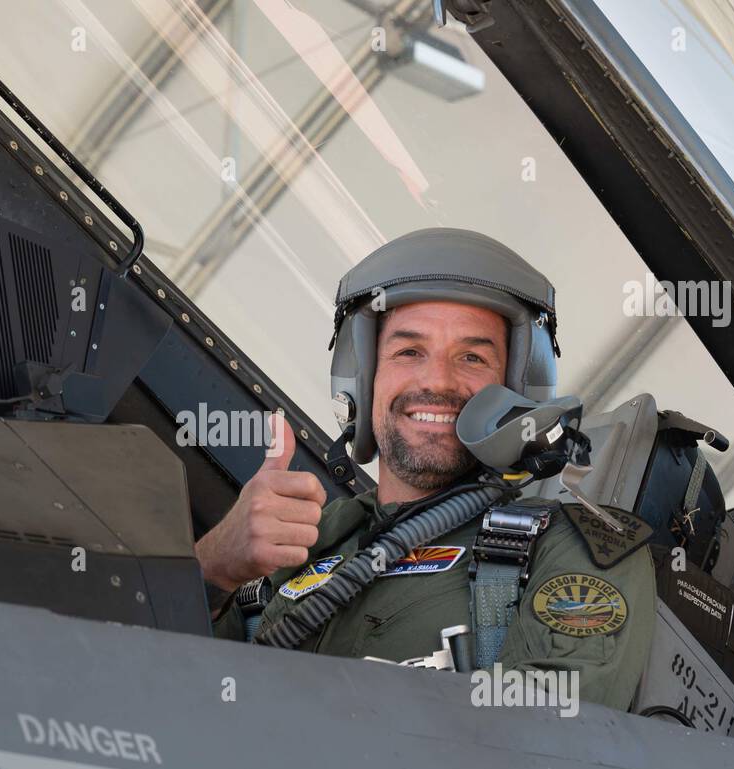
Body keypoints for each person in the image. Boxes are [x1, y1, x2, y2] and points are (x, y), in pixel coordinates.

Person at [196, 228, 656, 711]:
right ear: (363, 377)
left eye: (472, 357)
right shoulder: (307, 541)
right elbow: (155, 690)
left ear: (519, 390)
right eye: (409, 351)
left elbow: (546, 754)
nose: (438, 381)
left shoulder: (568, 549)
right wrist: (213, 568)